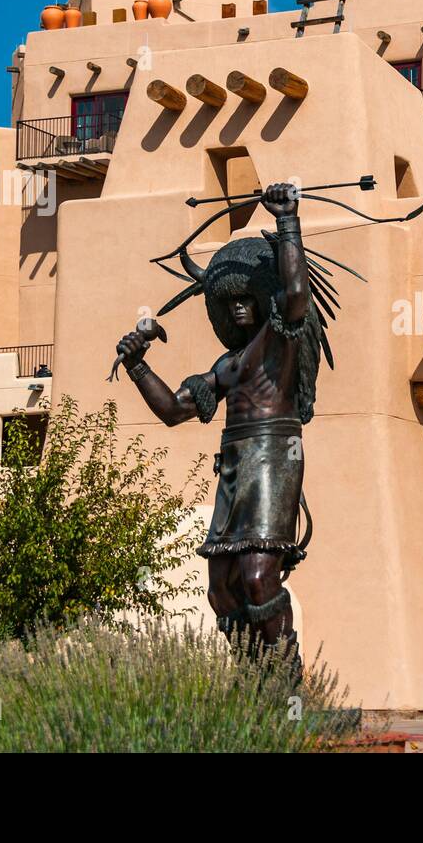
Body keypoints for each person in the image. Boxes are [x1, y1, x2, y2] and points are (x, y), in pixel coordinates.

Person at [115, 183, 320, 655]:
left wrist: (288, 220)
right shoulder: (226, 366)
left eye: (246, 295)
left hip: (273, 459)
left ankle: (287, 687)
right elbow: (173, 410)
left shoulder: (278, 342)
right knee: (221, 588)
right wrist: (137, 365)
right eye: (228, 301)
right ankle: (255, 682)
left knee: (258, 575)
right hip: (232, 469)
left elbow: (294, 293)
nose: (238, 305)